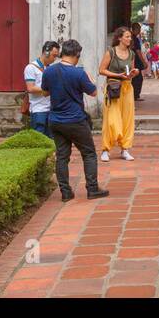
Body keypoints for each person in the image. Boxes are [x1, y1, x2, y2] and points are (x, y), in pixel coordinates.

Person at [41, 39, 108, 201]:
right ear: (77, 54)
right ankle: (92, 188)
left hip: (55, 120)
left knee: (62, 156)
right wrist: (89, 79)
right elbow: (93, 92)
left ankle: (65, 192)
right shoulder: (79, 73)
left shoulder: (49, 71)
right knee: (89, 153)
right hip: (75, 120)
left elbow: (45, 92)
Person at [97, 27, 138, 162]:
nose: (129, 39)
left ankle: (125, 148)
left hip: (127, 88)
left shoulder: (131, 53)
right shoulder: (111, 52)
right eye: (127, 36)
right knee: (111, 120)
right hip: (113, 88)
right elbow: (101, 70)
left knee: (127, 119)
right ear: (119, 38)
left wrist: (134, 73)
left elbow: (130, 71)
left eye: (130, 37)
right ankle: (105, 149)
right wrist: (118, 75)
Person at [23, 41, 60, 138]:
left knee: (52, 138)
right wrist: (50, 89)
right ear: (46, 53)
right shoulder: (31, 68)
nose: (55, 59)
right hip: (38, 109)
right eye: (54, 56)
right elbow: (30, 88)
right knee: (39, 138)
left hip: (51, 109)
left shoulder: (50, 69)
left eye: (56, 56)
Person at [129, 22, 148, 101]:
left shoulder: (132, 38)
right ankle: (135, 95)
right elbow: (138, 51)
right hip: (135, 60)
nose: (139, 31)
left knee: (134, 78)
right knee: (138, 78)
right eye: (139, 29)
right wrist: (144, 62)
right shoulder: (134, 39)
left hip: (131, 60)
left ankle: (134, 95)